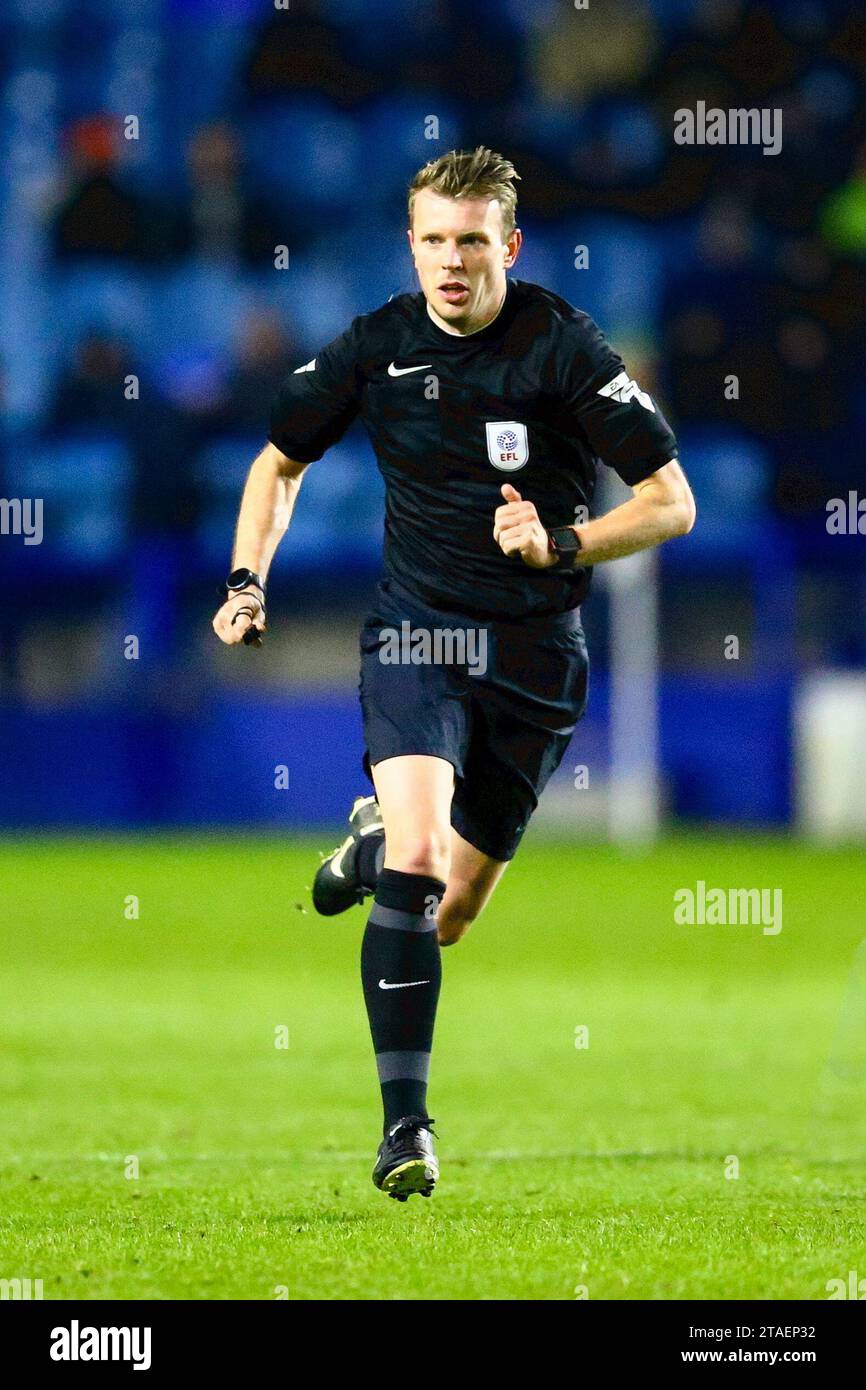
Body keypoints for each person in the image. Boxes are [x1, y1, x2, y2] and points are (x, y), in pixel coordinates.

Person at [212, 147, 695, 1201]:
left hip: (534, 654)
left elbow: (670, 501)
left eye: (472, 240)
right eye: (432, 239)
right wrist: (248, 579)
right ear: (411, 244)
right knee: (424, 861)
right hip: (420, 633)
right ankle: (404, 1129)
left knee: (452, 911)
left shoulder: (562, 347)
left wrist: (562, 544)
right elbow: (276, 462)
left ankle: (374, 841)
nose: (450, 261)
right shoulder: (377, 345)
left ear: (508, 247)